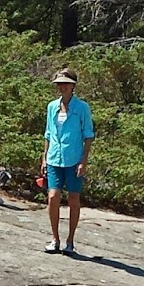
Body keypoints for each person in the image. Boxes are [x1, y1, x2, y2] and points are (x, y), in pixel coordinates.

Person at [41, 68, 95, 255]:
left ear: (73, 86)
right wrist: (45, 157)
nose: (62, 87)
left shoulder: (82, 108)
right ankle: (55, 238)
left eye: (66, 83)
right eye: (59, 84)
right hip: (55, 158)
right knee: (53, 196)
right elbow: (48, 133)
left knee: (73, 198)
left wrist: (84, 161)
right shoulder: (51, 107)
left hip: (74, 159)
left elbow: (88, 135)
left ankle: (70, 240)